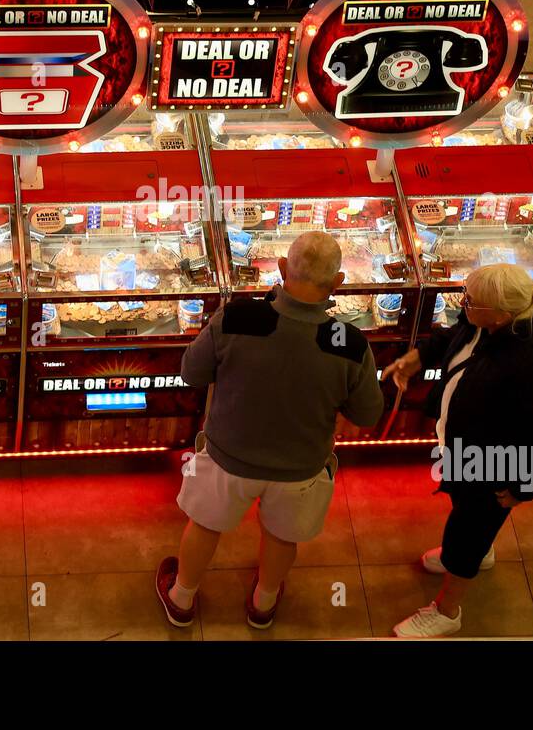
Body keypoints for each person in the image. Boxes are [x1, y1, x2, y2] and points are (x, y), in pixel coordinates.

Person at [156, 231, 385, 629]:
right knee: (282, 536)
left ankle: (182, 598)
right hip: (301, 467)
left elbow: (192, 372)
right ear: (338, 283)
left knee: (206, 524)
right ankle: (263, 605)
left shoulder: (238, 316)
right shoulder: (348, 341)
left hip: (228, 455)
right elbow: (368, 414)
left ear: (281, 269)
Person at [383, 263, 533, 638]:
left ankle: (447, 609)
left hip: (491, 464)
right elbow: (455, 336)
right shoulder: (485, 322)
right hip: (462, 448)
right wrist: (420, 356)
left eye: (470, 300)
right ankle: (477, 550)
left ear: (502, 313)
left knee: (466, 532)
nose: (462, 303)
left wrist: (523, 488)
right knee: (466, 515)